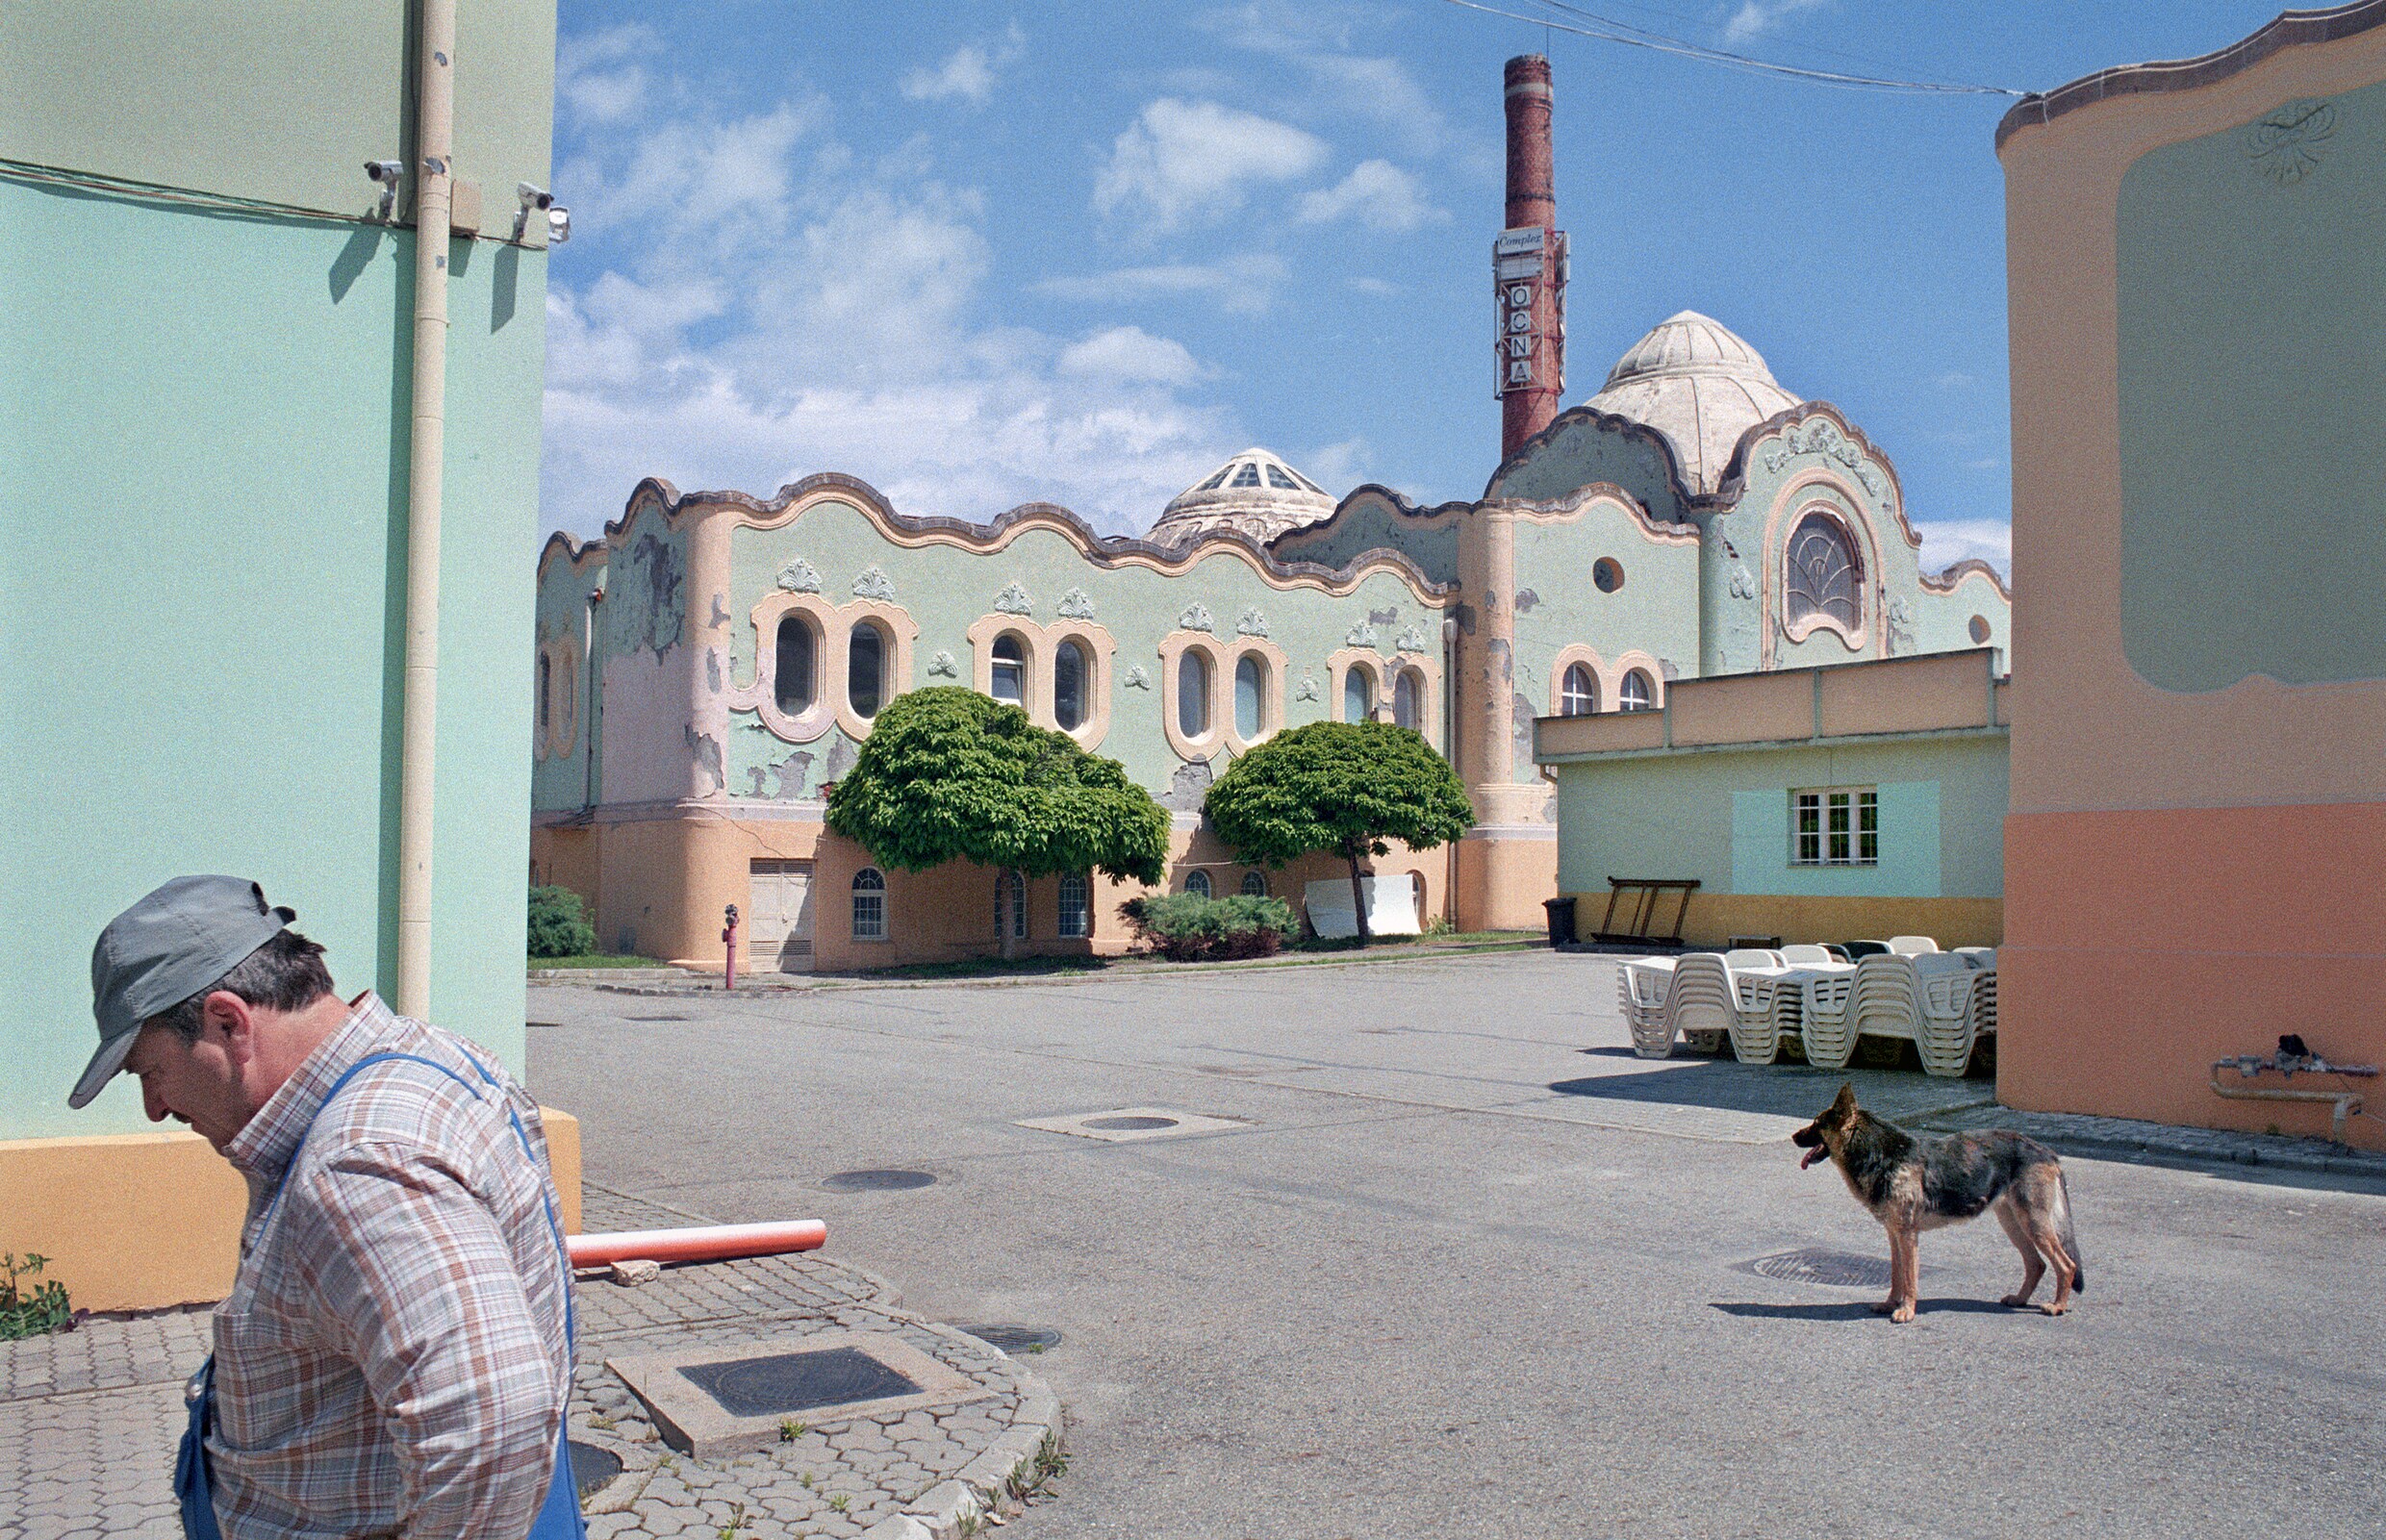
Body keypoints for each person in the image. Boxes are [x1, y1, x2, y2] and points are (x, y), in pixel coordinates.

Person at [71, 875, 583, 1540]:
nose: (155, 1107)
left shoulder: (358, 1163)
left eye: (150, 1071)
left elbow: (494, 1424)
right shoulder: (429, 1058)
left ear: (228, 1022)